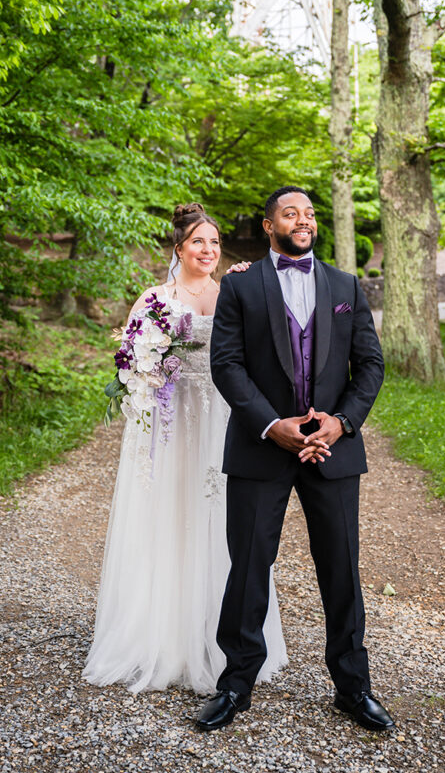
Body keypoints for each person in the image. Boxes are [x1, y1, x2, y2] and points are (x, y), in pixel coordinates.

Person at [198, 186, 393, 732]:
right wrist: (271, 425)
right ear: (268, 225)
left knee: (341, 569)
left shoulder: (345, 285)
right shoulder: (240, 287)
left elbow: (370, 366)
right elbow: (227, 364)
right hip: (262, 447)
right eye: (291, 213)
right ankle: (236, 685)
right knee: (249, 568)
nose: (303, 220)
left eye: (309, 213)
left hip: (333, 450)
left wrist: (341, 422)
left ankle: (354, 689)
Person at [83, 202, 287, 694]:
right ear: (179, 249)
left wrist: (248, 280)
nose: (208, 250)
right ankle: (158, 632)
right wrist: (144, 379)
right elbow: (129, 362)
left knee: (217, 517)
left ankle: (218, 634)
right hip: (169, 424)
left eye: (215, 243)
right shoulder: (155, 298)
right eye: (199, 241)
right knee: (169, 515)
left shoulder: (232, 294)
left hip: (218, 418)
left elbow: (262, 341)